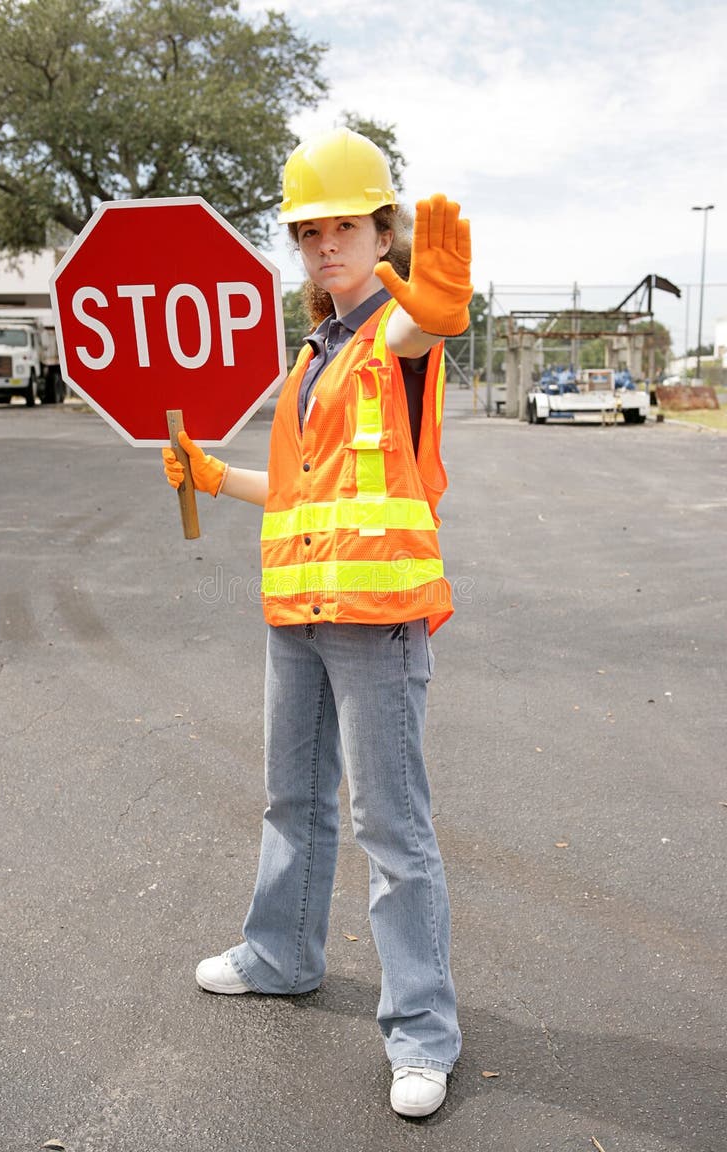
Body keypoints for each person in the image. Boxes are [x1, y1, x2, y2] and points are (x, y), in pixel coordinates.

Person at [162, 127, 472, 1118]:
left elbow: (426, 331)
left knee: (392, 826)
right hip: (295, 612)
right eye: (308, 231)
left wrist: (439, 307)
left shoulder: (393, 332)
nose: (324, 244)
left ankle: (422, 1033)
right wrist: (215, 475)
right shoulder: (310, 359)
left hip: (377, 620)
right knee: (291, 800)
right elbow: (300, 491)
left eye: (343, 225)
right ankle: (281, 952)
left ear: (382, 229)